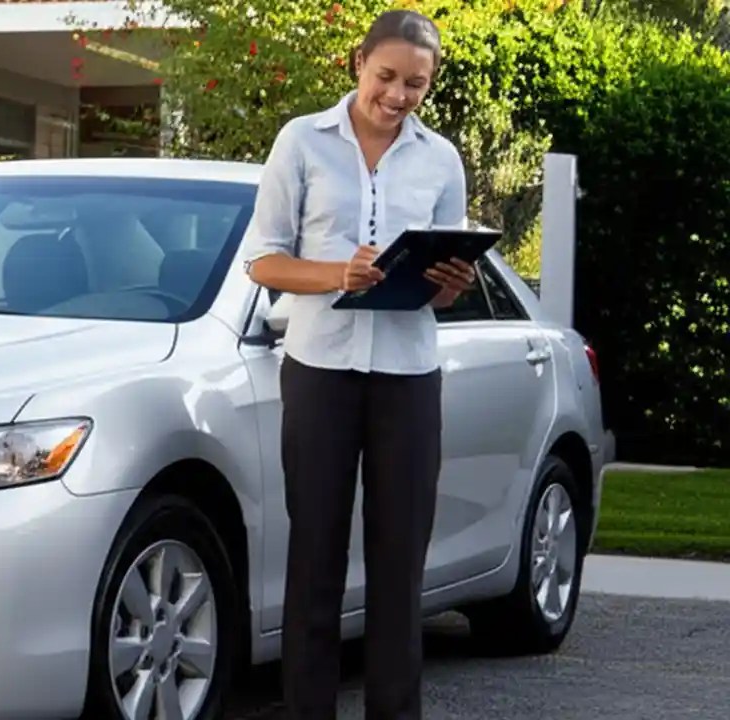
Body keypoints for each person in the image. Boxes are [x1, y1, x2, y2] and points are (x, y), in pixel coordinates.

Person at [240, 9, 478, 720]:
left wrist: (450, 284)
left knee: (401, 565)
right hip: (319, 373)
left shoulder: (441, 160)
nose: (400, 95)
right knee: (314, 560)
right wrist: (337, 274)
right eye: (388, 77)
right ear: (357, 63)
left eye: (417, 84)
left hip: (409, 377)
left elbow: (441, 282)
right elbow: (263, 260)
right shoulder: (302, 142)